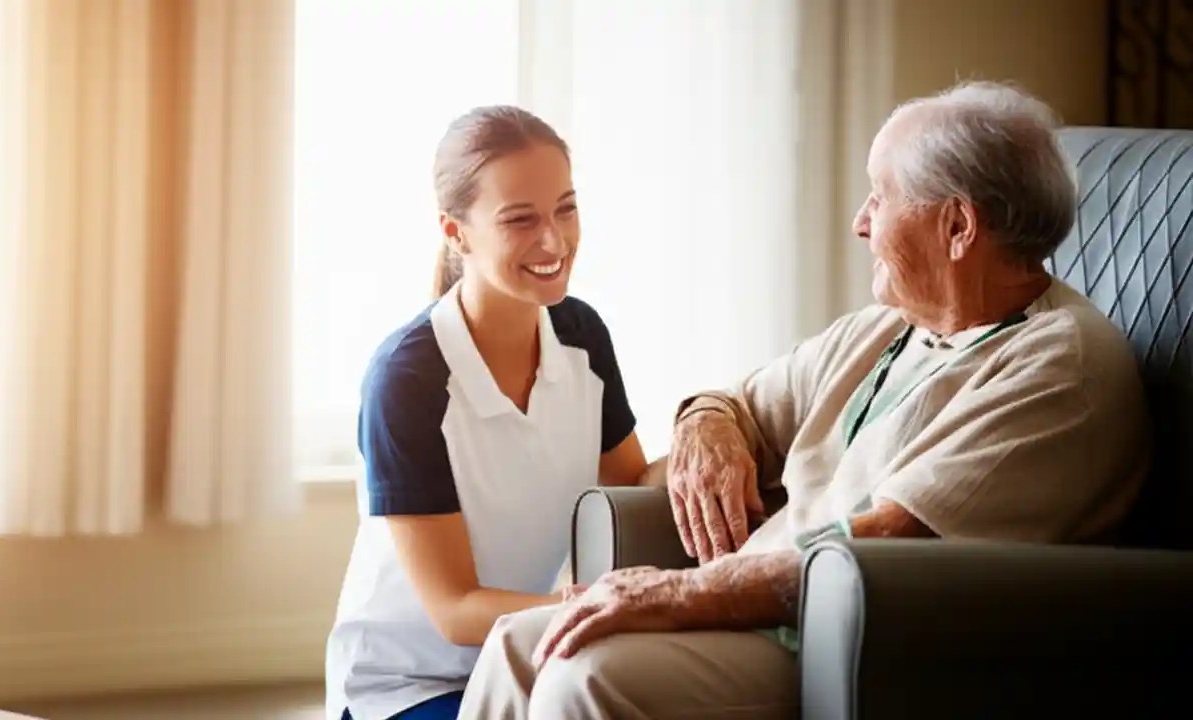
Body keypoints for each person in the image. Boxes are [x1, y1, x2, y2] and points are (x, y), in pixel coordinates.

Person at [458, 81, 1151, 719]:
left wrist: (675, 594)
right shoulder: (889, 328)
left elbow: (886, 548)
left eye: (880, 196)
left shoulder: (1061, 365)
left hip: (862, 643)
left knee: (582, 672)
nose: (860, 222)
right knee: (519, 643)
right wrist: (709, 423)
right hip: (776, 616)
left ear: (958, 227)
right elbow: (734, 403)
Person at [324, 106, 650, 720]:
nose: (553, 240)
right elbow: (453, 609)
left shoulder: (582, 334)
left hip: (532, 654)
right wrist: (588, 606)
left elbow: (631, 484)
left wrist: (718, 438)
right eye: (520, 220)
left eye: (566, 208)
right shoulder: (407, 377)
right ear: (456, 232)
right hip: (411, 684)